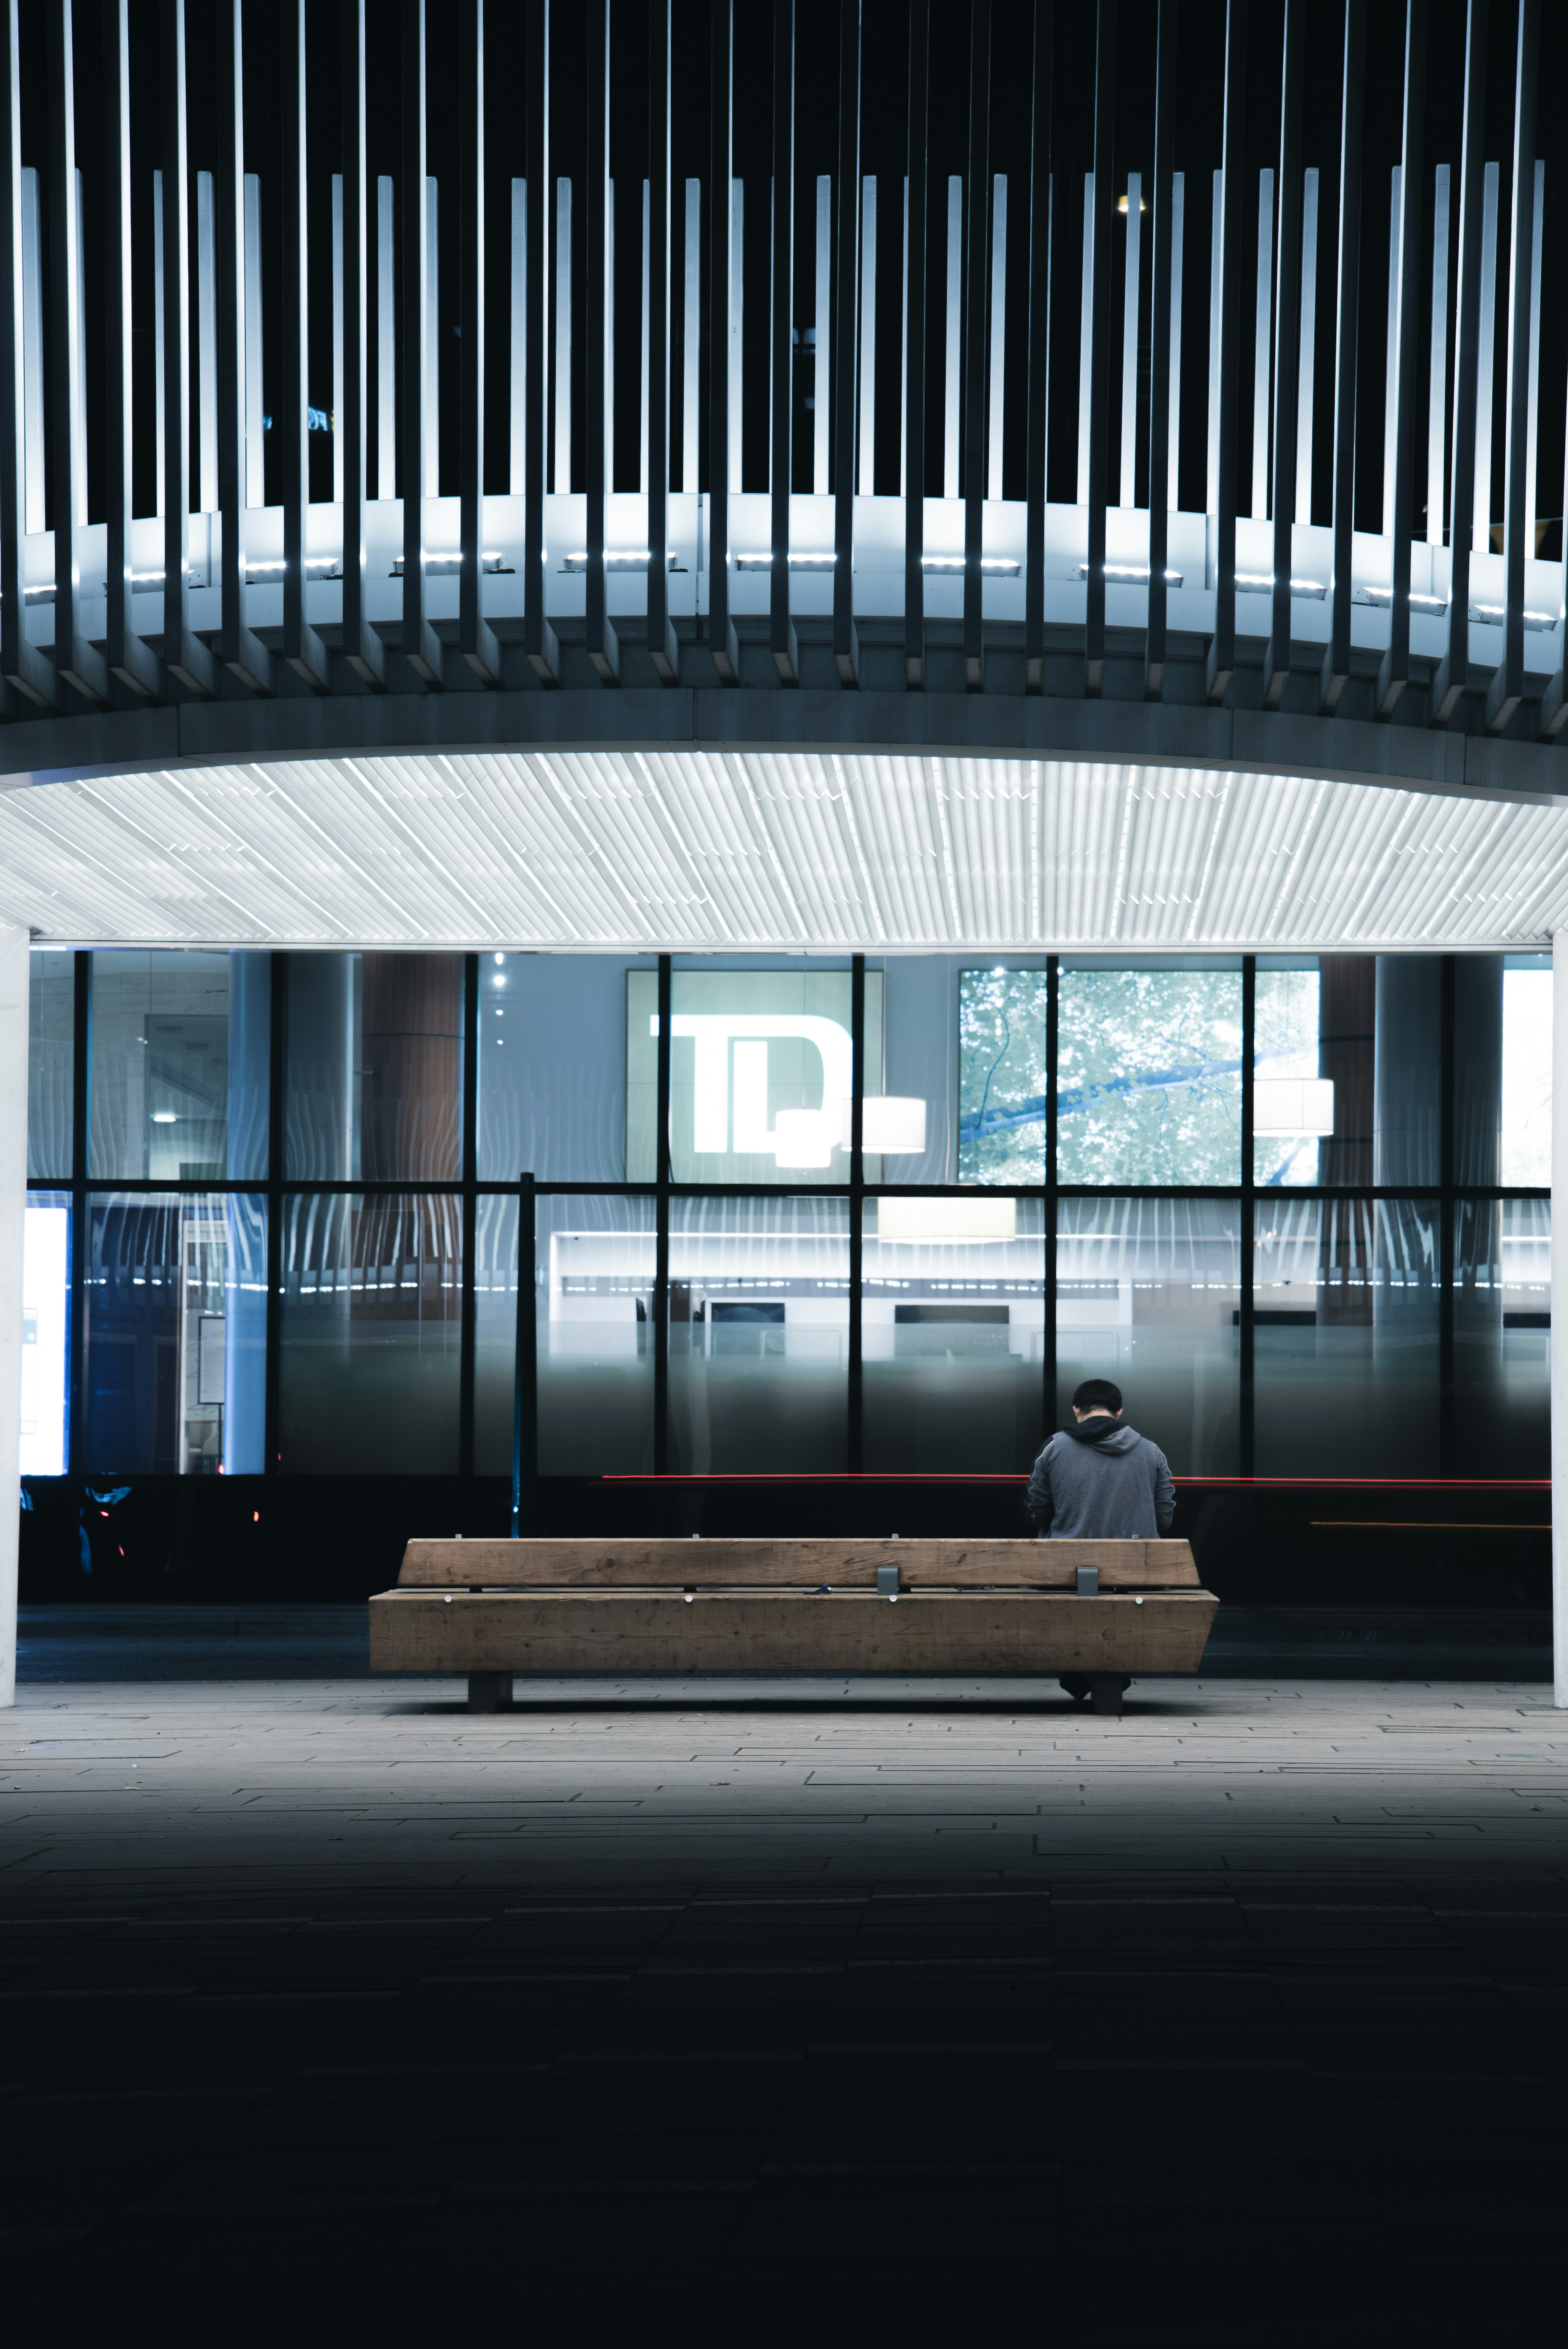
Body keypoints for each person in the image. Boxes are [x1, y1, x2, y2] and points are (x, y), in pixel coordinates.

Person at [1025, 1378, 1175, 1705]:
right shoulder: (1151, 1451)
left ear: (1076, 1409)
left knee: (1074, 1582)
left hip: (1069, 1572)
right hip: (1134, 1574)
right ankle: (1108, 1669)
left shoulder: (1053, 1448)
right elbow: (1164, 1518)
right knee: (1117, 1590)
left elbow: (1037, 1510)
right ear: (1118, 1412)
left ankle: (1078, 1670)